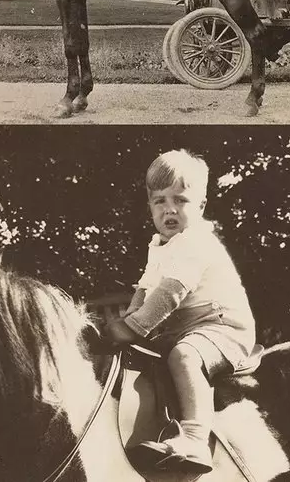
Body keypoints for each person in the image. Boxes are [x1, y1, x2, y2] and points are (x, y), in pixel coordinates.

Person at [106, 150, 256, 474]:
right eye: (159, 201)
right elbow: (146, 290)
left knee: (184, 356)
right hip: (187, 328)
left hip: (223, 326)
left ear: (201, 206)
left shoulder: (196, 241)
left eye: (180, 200)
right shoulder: (158, 245)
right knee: (148, 357)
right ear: (149, 207)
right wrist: (125, 324)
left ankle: (195, 440)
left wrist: (131, 327)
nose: (169, 209)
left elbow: (170, 293)